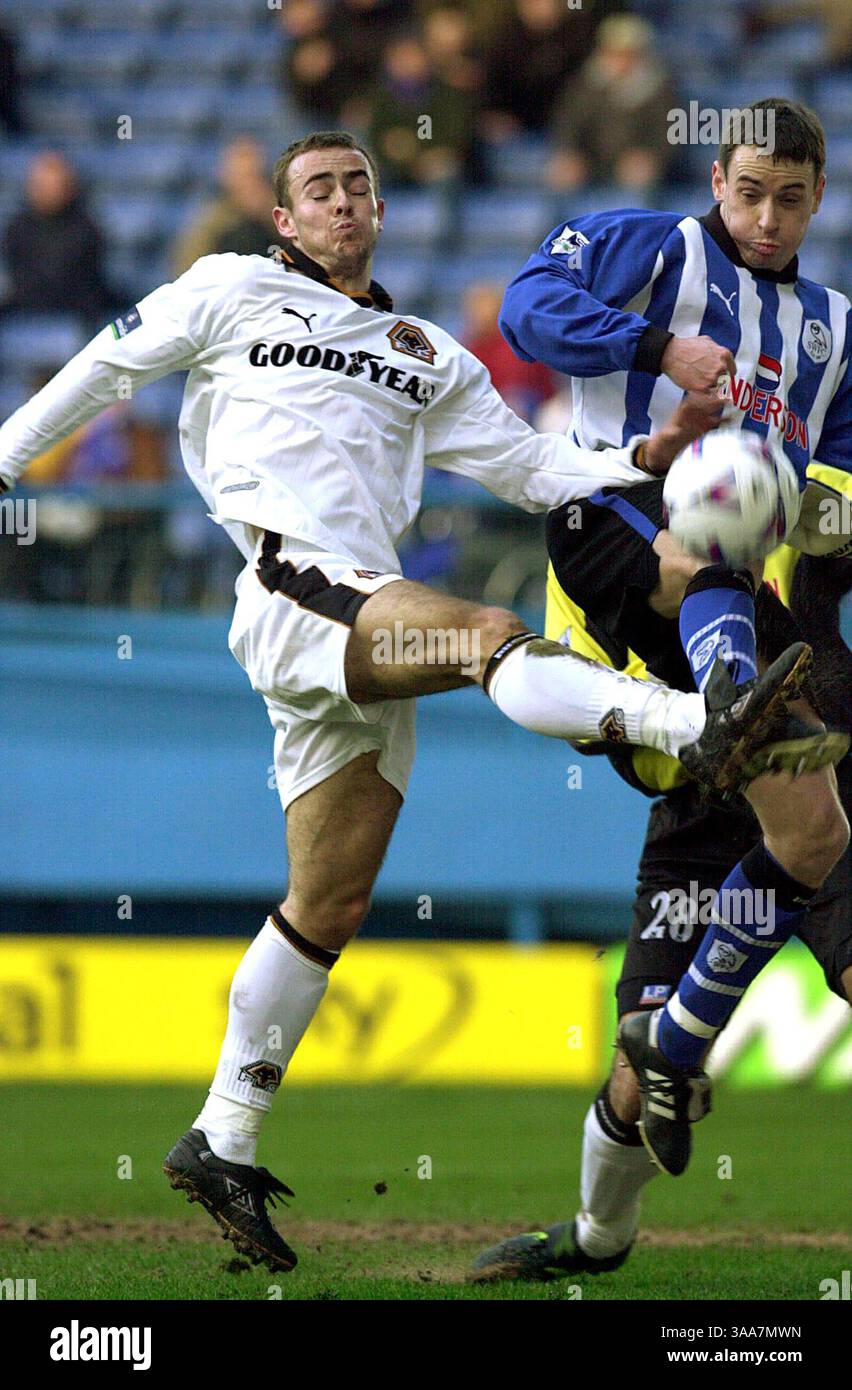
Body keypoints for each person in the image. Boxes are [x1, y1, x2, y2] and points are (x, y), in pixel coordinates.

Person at [0, 131, 831, 1275]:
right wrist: (4, 461)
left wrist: (646, 450)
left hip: (359, 626)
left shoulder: (426, 352)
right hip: (298, 586)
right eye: (318, 190)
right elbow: (107, 365)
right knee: (490, 636)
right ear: (284, 220)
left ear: (380, 211)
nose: (342, 202)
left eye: (359, 186)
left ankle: (223, 1134)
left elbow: (532, 472)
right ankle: (696, 721)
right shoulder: (230, 289)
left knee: (326, 901)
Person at [471, 97, 852, 1281]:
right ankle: (727, 692)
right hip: (621, 565)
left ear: (819, 199)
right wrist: (655, 349)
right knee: (703, 526)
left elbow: (841, 488)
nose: (769, 217)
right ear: (717, 177)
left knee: (657, 1056)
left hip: (780, 660)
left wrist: (825, 498)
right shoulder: (652, 248)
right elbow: (528, 307)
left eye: (792, 198)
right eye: (750, 192)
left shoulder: (836, 332)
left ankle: (599, 1228)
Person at [546, 15, 676, 195]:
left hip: (635, 164)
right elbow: (568, 125)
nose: (620, 60)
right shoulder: (585, 85)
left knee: (640, 176)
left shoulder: (659, 89)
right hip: (590, 163)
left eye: (627, 53)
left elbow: (668, 134)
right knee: (562, 173)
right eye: (614, 52)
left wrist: (651, 156)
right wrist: (571, 153)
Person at [2, 152, 113, 327]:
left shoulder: (86, 228)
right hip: (27, 305)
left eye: (54, 185)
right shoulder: (17, 228)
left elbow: (86, 280)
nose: (47, 190)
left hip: (78, 307)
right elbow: (20, 278)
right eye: (41, 185)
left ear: (69, 186)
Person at [171, 138, 282, 277]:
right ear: (225, 177)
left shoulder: (282, 212)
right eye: (240, 176)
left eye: (253, 175)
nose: (246, 185)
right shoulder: (211, 221)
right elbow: (188, 269)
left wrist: (265, 214)